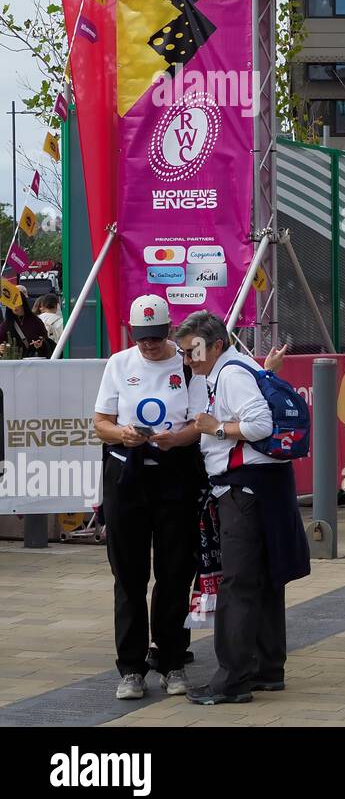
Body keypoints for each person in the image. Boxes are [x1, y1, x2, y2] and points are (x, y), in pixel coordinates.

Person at [176, 312, 310, 706]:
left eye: (193, 350)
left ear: (216, 345)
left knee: (237, 584)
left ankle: (232, 680)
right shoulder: (238, 366)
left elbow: (260, 426)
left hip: (244, 489)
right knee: (265, 578)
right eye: (185, 352)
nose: (189, 360)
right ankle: (268, 669)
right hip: (264, 485)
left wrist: (213, 428)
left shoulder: (230, 374)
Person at [92, 295, 207, 700]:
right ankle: (131, 668)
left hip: (175, 476)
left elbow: (200, 421)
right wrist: (122, 434)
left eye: (155, 339)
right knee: (129, 575)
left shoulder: (189, 363)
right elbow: (101, 422)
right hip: (128, 476)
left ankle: (173, 660)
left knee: (175, 572)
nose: (148, 346)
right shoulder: (119, 364)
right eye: (141, 339)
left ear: (169, 331)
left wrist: (178, 439)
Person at [3, 285, 52, 358]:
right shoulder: (6, 324)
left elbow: (44, 338)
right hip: (13, 363)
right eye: (12, 305)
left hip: (33, 361)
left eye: (17, 304)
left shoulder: (35, 321)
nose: (15, 307)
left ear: (23, 303)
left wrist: (40, 343)